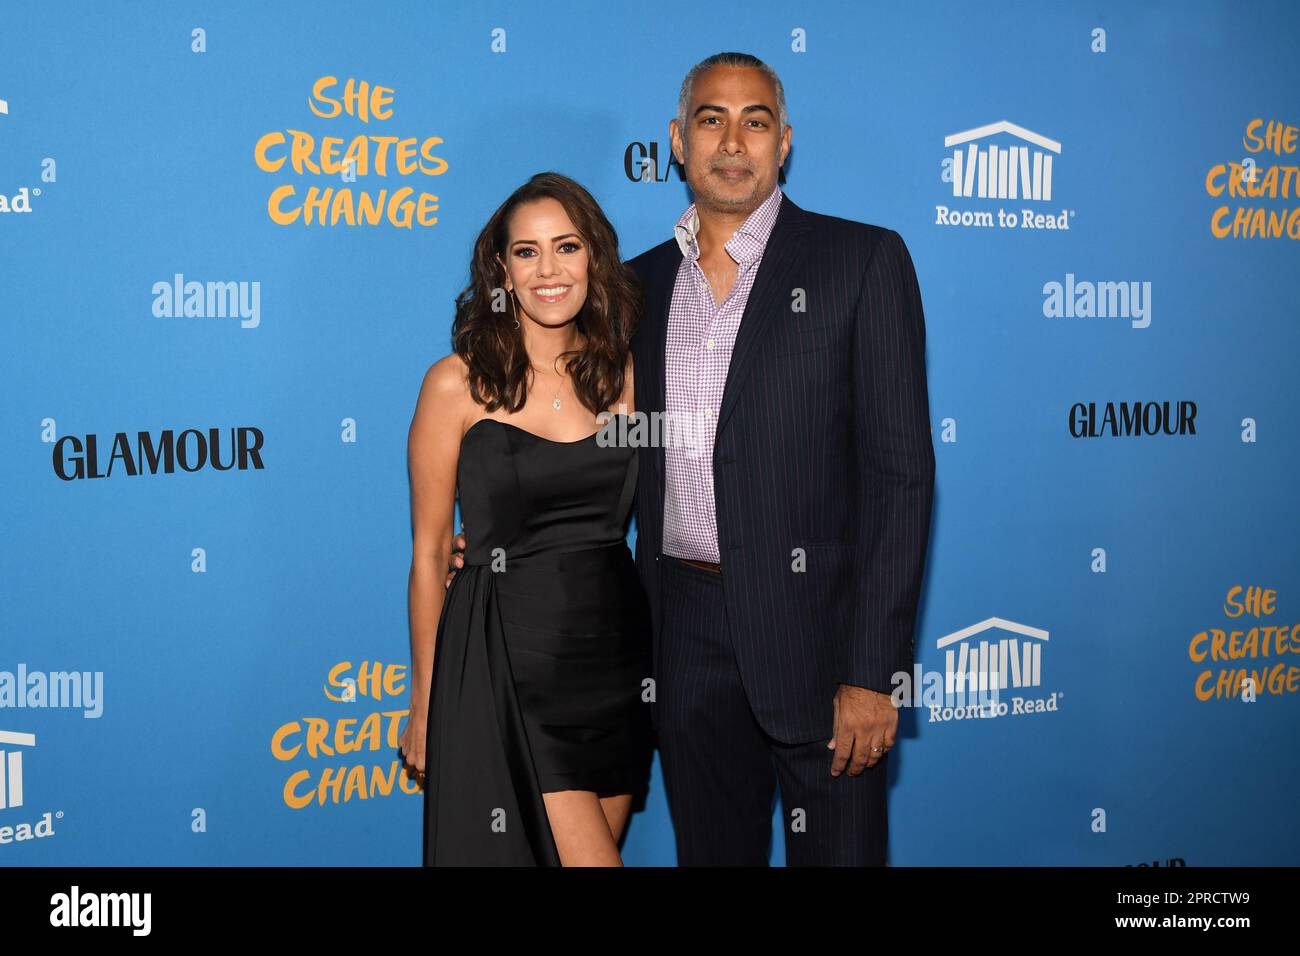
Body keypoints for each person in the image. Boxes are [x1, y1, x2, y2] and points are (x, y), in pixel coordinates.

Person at [451, 51, 935, 866]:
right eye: (712, 119)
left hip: (822, 643)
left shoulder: (861, 263)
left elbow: (902, 481)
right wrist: (507, 537)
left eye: (756, 121)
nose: (733, 140)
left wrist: (874, 672)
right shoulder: (630, 290)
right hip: (678, 637)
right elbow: (576, 440)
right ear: (679, 141)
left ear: (785, 143)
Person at [398, 172, 653, 866]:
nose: (549, 270)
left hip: (616, 663)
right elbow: (428, 554)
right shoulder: (456, 383)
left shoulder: (624, 377)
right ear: (500, 268)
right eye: (527, 252)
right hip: (506, 664)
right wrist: (425, 700)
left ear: (593, 260)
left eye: (566, 247)